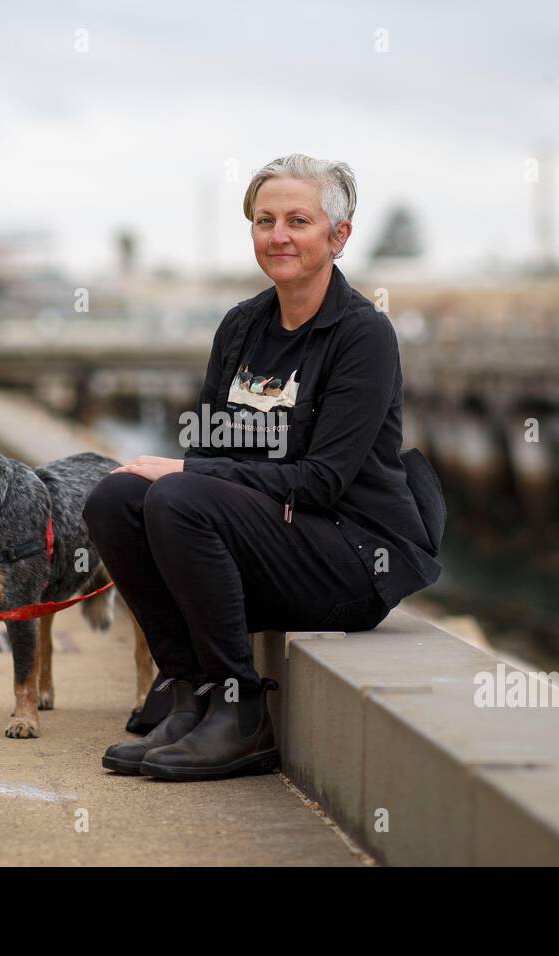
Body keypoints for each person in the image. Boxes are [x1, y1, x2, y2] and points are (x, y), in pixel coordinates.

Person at [83, 153, 441, 781]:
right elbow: (215, 448)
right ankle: (190, 692)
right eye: (264, 220)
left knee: (179, 496)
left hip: (349, 557)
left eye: (298, 220)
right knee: (115, 498)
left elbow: (324, 482)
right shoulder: (242, 327)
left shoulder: (363, 336)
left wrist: (194, 477)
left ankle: (239, 711)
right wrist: (192, 475)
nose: (278, 236)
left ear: (339, 236)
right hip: (269, 537)